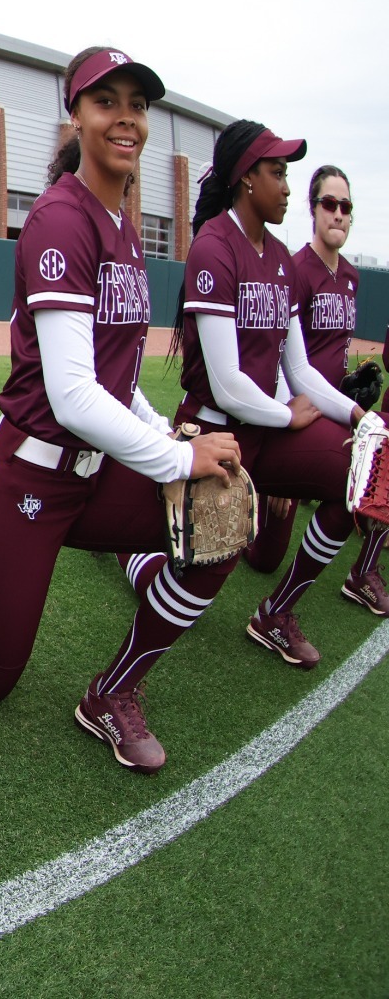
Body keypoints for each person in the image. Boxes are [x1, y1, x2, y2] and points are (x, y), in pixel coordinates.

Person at [0, 47, 242, 776]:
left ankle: (113, 693)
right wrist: (176, 456)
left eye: (137, 105)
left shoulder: (123, 227)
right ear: (75, 113)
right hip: (25, 479)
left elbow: (119, 378)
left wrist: (163, 432)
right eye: (106, 102)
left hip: (94, 474)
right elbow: (75, 395)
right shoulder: (61, 218)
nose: (125, 118)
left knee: (220, 517)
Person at [170, 125, 380, 667]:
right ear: (246, 178)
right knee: (196, 575)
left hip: (263, 430)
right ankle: (136, 559)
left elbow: (299, 369)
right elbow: (226, 384)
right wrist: (286, 417)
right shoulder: (214, 246)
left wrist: (356, 414)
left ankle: (275, 613)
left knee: (353, 473)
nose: (287, 187)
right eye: (278, 173)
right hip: (215, 432)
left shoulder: (281, 257)